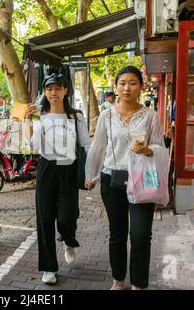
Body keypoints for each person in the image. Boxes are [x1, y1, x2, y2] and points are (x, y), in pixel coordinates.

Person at [85, 66, 165, 290]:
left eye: (132, 83)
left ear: (140, 86)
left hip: (142, 179)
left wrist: (148, 150)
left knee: (140, 235)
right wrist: (91, 174)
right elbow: (99, 145)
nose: (127, 87)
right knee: (117, 234)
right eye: (122, 83)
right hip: (112, 179)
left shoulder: (149, 115)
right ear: (116, 86)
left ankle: (139, 283)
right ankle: (118, 280)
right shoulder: (107, 115)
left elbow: (160, 145)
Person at [25, 73, 91, 285]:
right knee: (45, 219)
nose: (53, 93)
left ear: (65, 91)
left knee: (66, 216)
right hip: (47, 168)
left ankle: (69, 240)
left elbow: (86, 145)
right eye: (49, 89)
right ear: (44, 92)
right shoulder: (40, 115)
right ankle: (49, 268)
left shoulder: (76, 116)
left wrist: (90, 172)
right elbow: (33, 147)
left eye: (57, 88)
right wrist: (28, 120)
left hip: (68, 168)